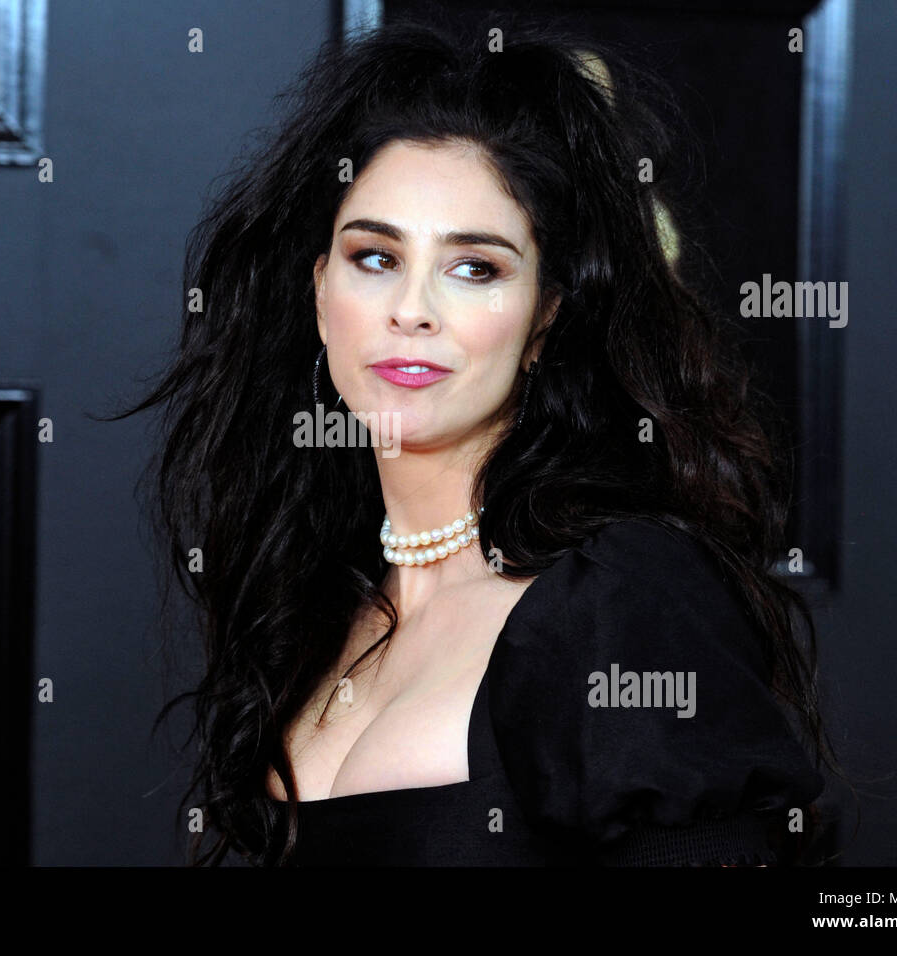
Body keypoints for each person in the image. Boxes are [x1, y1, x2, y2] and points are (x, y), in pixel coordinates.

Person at [117, 12, 844, 866]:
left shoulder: (620, 597)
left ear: (544, 321)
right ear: (320, 293)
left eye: (476, 268)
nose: (412, 309)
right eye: (375, 257)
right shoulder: (316, 599)